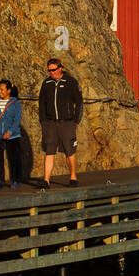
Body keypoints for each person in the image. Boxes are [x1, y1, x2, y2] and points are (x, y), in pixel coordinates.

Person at [37, 58, 83, 188]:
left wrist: (76, 120)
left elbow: (79, 102)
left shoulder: (70, 82)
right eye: (49, 70)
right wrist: (43, 121)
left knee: (70, 151)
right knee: (49, 151)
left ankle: (73, 176)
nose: (51, 72)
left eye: (53, 69)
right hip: (50, 123)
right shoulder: (46, 83)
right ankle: (46, 180)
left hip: (67, 122)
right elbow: (41, 103)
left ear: (59, 68)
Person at [0, 79, 23, 189]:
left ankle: (15, 180)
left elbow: (17, 120)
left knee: (14, 158)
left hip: (13, 136)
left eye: (2, 89)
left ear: (9, 90)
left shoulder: (15, 104)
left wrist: (10, 131)